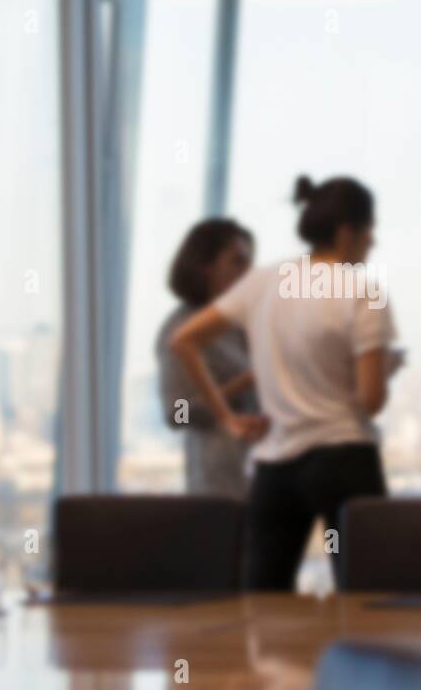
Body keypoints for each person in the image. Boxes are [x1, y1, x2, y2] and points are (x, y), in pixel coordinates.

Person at [170, 175, 401, 589]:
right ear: (347, 233)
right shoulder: (366, 293)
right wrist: (383, 368)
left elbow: (185, 341)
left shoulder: (262, 283)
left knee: (261, 600)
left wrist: (227, 419)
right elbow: (370, 401)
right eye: (370, 231)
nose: (373, 242)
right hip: (343, 459)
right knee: (367, 596)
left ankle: (263, 659)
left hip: (275, 467)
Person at [155, 219, 257, 499]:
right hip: (219, 485)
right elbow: (177, 414)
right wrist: (240, 385)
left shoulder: (237, 326)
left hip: (258, 475)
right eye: (237, 262)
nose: (248, 273)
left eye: (250, 263)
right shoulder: (182, 329)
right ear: (205, 266)